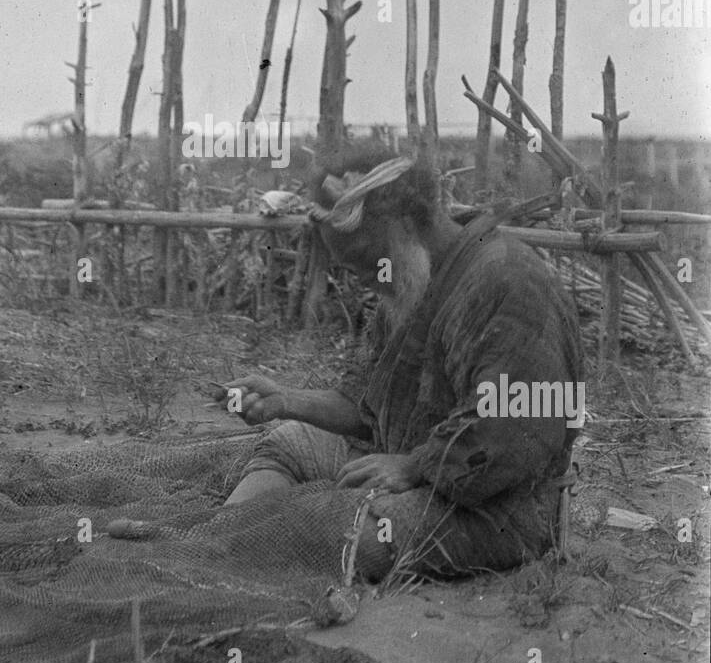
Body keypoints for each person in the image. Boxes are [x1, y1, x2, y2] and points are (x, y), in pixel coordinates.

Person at [217, 156, 584, 580]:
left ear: (404, 223)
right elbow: (366, 405)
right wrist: (286, 400)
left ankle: (225, 553)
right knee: (288, 443)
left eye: (366, 260)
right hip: (414, 459)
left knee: (339, 528)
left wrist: (413, 466)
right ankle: (218, 539)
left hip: (498, 507)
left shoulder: (510, 279)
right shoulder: (411, 282)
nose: (364, 279)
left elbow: (515, 430)